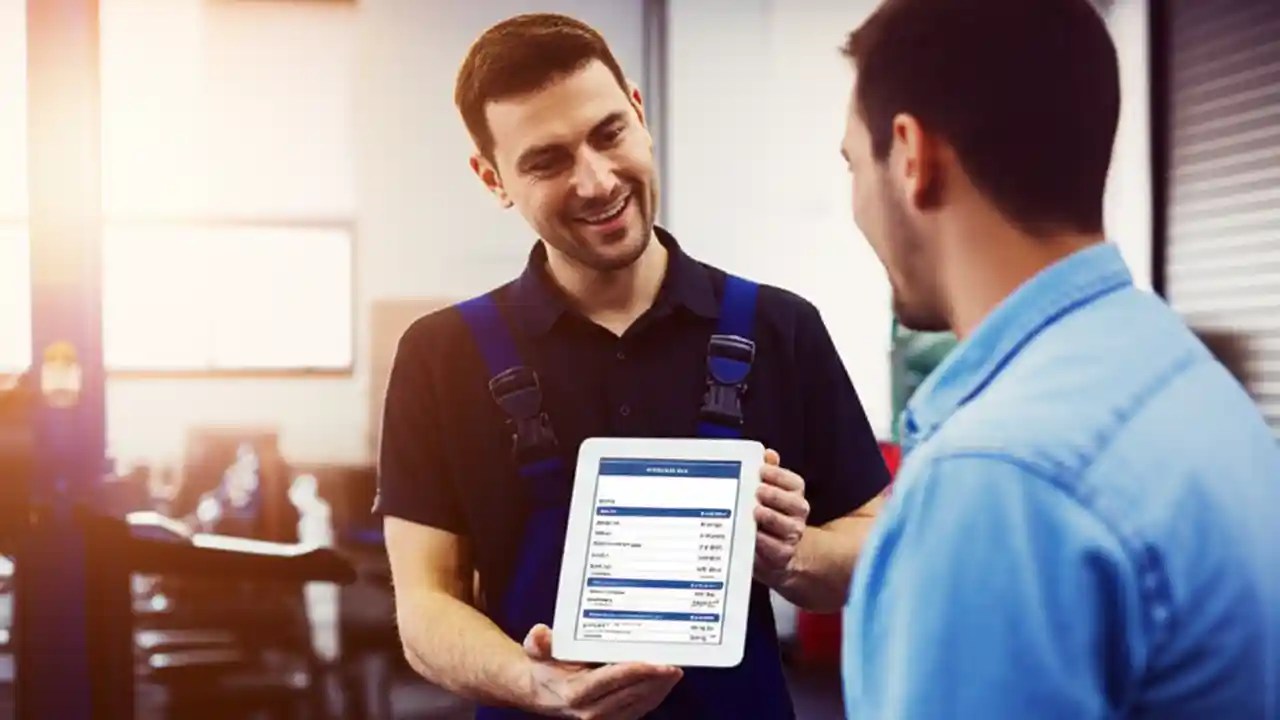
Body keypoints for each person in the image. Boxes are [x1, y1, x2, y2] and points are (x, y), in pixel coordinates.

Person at [375, 12, 891, 720]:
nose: (596, 181)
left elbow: (868, 547)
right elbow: (425, 607)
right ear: (492, 178)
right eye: (547, 160)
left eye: (609, 133)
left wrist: (793, 554)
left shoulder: (781, 328)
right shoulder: (441, 355)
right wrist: (537, 684)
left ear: (640, 114)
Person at [836, 0, 1280, 718]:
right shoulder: (1182, 377)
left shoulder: (997, 479)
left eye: (854, 163)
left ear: (912, 158)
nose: (855, 201)